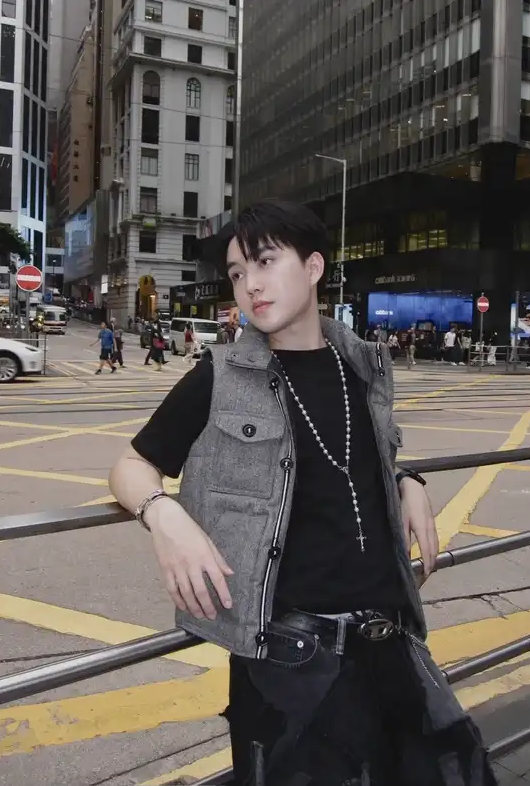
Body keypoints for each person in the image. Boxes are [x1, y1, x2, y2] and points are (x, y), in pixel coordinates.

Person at [108, 200, 496, 786]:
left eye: (265, 262)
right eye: (237, 272)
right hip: (290, 665)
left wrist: (403, 479)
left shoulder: (361, 366)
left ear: (314, 268)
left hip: (391, 643)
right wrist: (164, 515)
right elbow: (131, 465)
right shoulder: (220, 377)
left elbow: (349, 460)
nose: (250, 284)